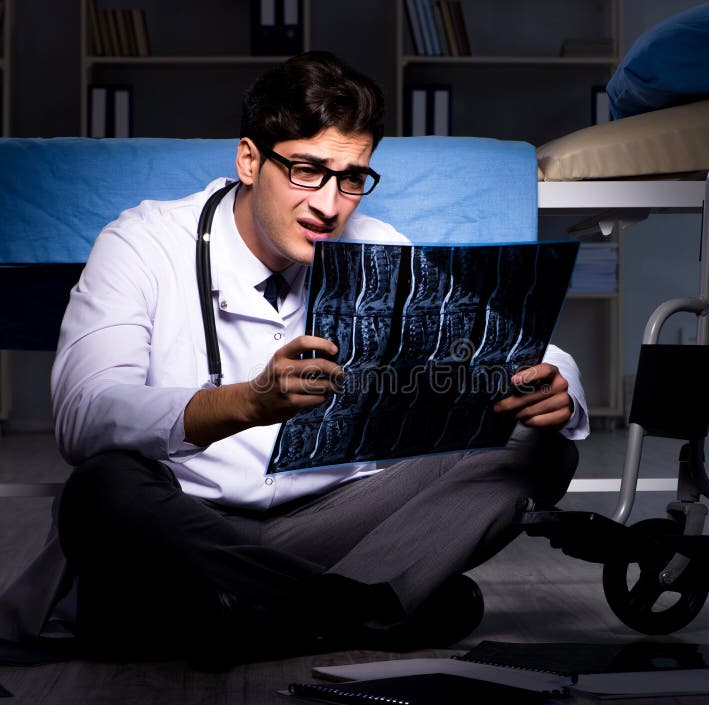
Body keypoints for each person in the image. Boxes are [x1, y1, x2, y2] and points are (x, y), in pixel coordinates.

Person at [8, 51, 589, 667]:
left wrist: (554, 386)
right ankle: (361, 609)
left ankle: (261, 618)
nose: (331, 205)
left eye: (352, 178)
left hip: (329, 525)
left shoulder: (377, 249)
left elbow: (521, 351)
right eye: (308, 171)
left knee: (539, 445)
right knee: (102, 489)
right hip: (185, 526)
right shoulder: (144, 242)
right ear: (250, 160)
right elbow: (85, 417)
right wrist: (246, 403)